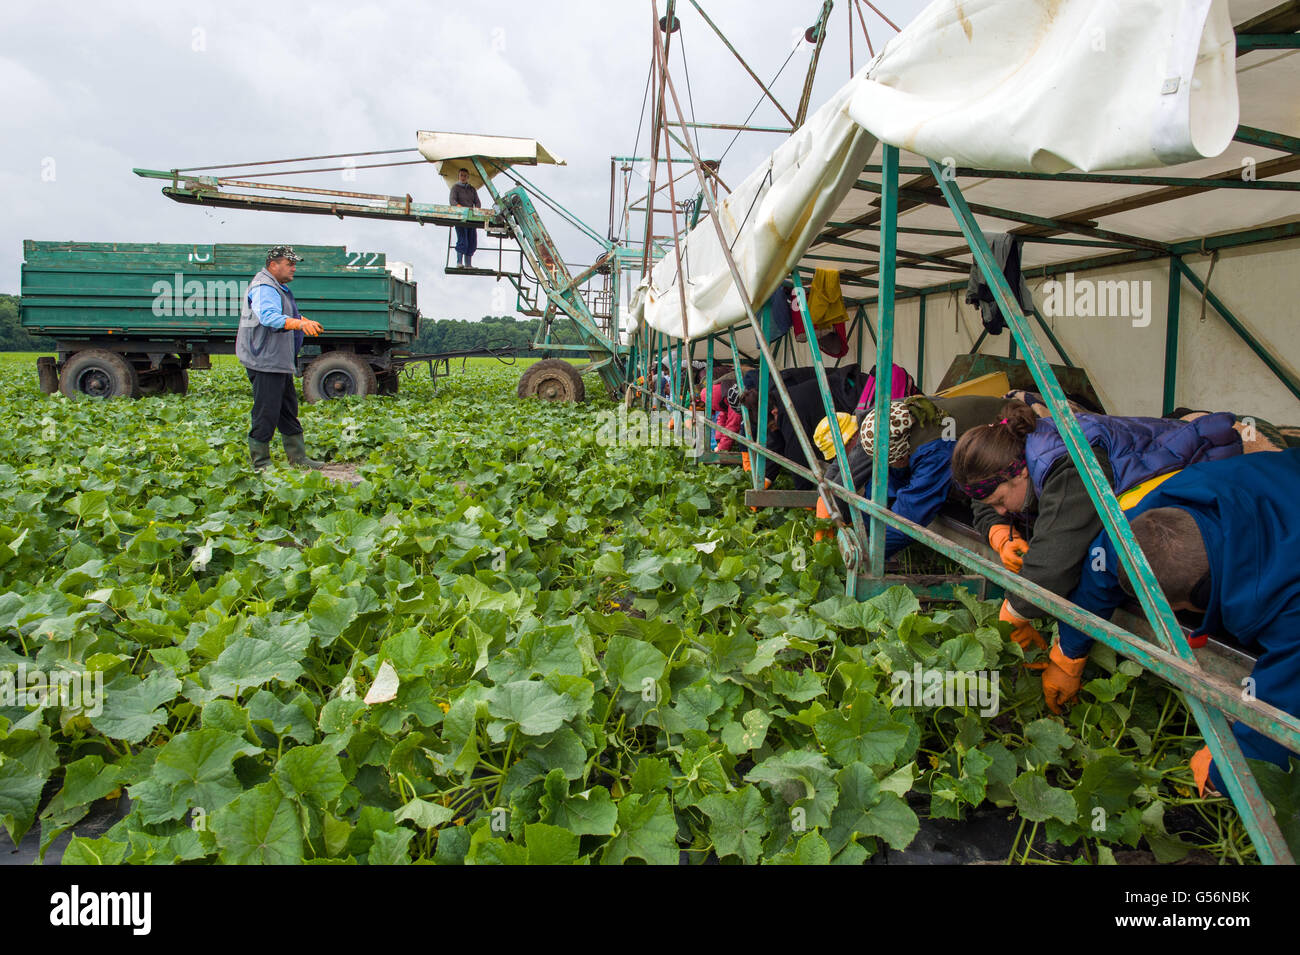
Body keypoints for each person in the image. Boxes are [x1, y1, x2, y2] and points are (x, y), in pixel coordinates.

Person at [1042, 450, 1300, 797]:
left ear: (1194, 600)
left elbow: (1288, 697)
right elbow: (1103, 562)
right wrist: (1069, 652)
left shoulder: (1283, 597)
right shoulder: (1156, 514)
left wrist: (1231, 767)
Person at [950, 400, 1242, 655]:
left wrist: (1013, 613)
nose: (1000, 509)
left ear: (1021, 473)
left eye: (1001, 502)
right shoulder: (1015, 451)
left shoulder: (1069, 468)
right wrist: (997, 530)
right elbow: (984, 498)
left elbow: (1054, 562)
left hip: (1208, 472)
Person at [817, 395, 1009, 556]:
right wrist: (863, 529)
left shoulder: (935, 451)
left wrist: (862, 552)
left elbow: (908, 520)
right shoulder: (898, 429)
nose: (889, 465)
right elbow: (884, 483)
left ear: (899, 454)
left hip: (1011, 436)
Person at [235, 246, 325, 470]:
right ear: (273, 265)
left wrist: (300, 319)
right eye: (289, 263)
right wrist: (299, 324)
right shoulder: (264, 287)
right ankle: (261, 463)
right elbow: (268, 317)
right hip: (264, 360)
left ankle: (298, 458)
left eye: (294, 264)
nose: (294, 268)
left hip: (278, 360)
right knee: (266, 412)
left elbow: (282, 314)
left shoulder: (277, 287)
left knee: (287, 409)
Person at [449, 168, 481, 268]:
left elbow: (478, 202)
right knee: (463, 240)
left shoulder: (472, 189)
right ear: (459, 176)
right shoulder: (455, 188)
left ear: (468, 177)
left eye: (465, 176)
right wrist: (459, 207)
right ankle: (459, 262)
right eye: (461, 175)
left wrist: (477, 209)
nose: (463, 177)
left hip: (471, 218)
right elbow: (452, 201)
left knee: (472, 241)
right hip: (460, 217)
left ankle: (468, 264)